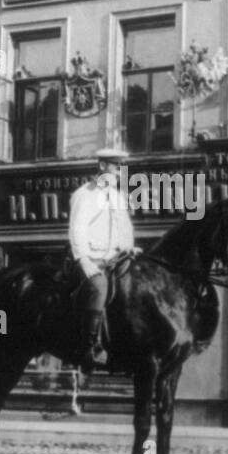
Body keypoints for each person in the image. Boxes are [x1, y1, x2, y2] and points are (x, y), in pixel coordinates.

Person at [68, 147, 136, 373]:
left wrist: (129, 247)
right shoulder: (84, 194)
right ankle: (90, 348)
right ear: (102, 167)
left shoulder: (117, 196)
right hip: (92, 260)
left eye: (121, 168)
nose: (119, 173)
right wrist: (83, 260)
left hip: (115, 258)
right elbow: (77, 229)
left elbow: (124, 226)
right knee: (99, 287)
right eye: (116, 167)